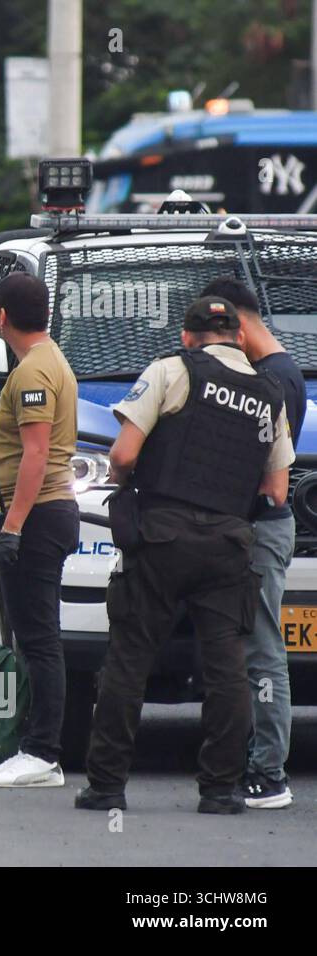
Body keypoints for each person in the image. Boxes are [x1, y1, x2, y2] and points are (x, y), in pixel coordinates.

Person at [77, 295, 293, 815]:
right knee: (226, 668)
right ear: (238, 336)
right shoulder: (269, 394)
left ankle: (107, 786)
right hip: (227, 545)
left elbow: (123, 454)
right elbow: (278, 491)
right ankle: (219, 790)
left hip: (162, 536)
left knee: (130, 657)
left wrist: (127, 479)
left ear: (187, 336)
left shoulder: (171, 370)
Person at [201, 277, 303, 810]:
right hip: (259, 528)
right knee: (249, 649)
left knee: (263, 650)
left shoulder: (274, 381)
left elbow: (269, 479)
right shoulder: (278, 372)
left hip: (262, 529)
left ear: (238, 327)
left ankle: (270, 774)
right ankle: (254, 761)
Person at [0, 272, 79, 788]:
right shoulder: (48, 359)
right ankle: (36, 748)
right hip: (43, 515)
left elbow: (35, 454)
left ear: (0, 317)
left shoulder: (35, 372)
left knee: (39, 639)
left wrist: (12, 527)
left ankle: (42, 754)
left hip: (37, 518)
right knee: (36, 636)